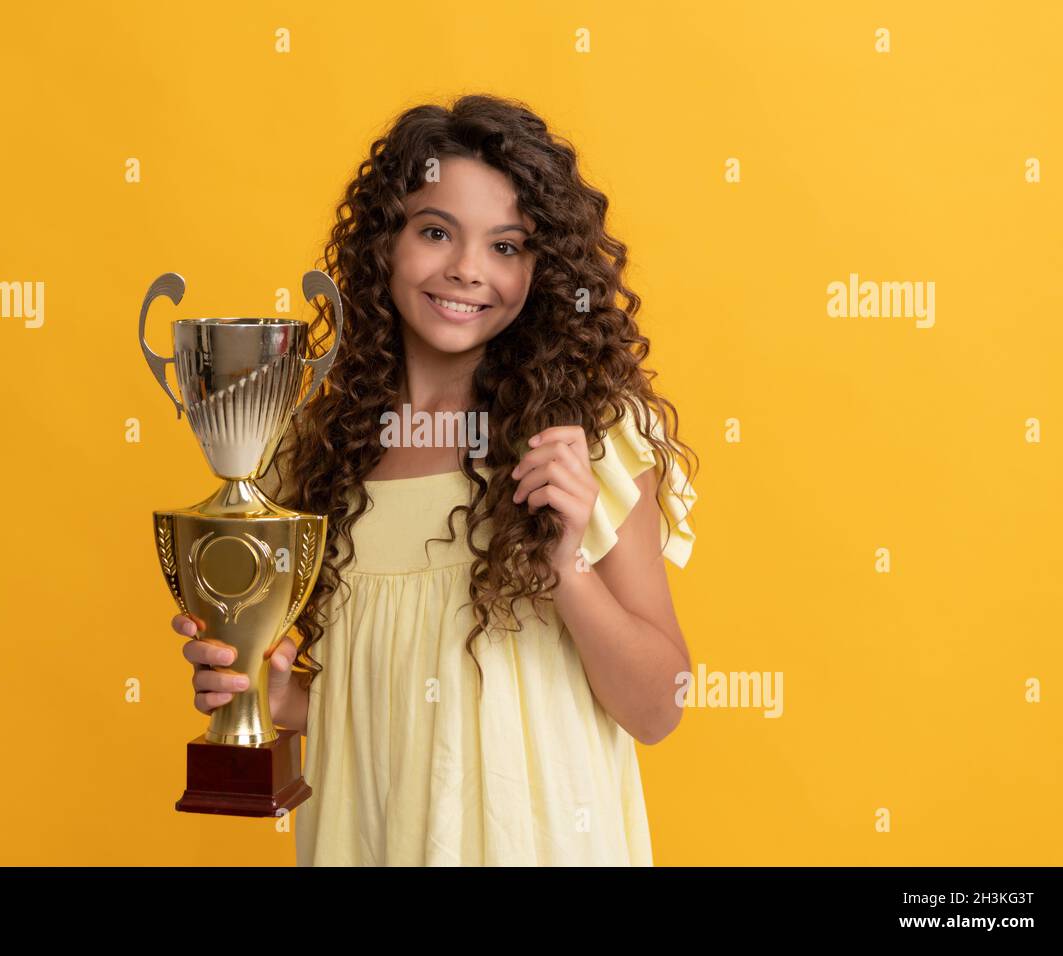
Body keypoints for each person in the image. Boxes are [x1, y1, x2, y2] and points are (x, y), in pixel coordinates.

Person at [176, 93, 700, 865]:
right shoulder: (316, 452)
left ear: (542, 269)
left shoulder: (590, 437)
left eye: (507, 246)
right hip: (375, 835)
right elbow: (402, 698)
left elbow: (659, 708)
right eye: (434, 232)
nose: (466, 269)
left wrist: (568, 567)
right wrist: (279, 700)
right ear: (384, 244)